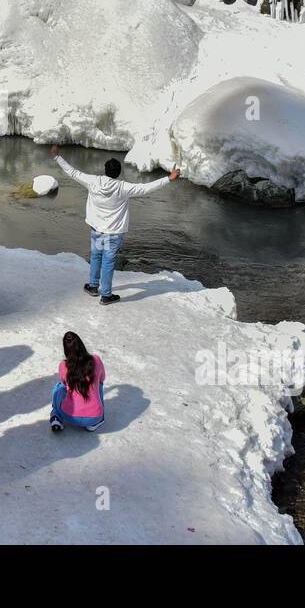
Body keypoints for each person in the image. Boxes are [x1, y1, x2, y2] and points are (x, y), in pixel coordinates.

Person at [51, 144, 180, 305]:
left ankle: (93, 286)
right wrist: (169, 178)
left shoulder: (93, 181)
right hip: (114, 233)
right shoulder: (123, 187)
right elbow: (146, 188)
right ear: (119, 173)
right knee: (108, 262)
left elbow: (72, 172)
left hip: (97, 230)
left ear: (105, 170)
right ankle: (105, 295)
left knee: (96, 256)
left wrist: (57, 157)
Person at [51, 332, 105, 432]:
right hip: (94, 417)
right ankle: (96, 422)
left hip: (69, 416)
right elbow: (102, 379)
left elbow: (63, 383)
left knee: (59, 387)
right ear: (81, 345)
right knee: (99, 384)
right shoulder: (96, 360)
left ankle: (56, 416)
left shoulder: (64, 365)